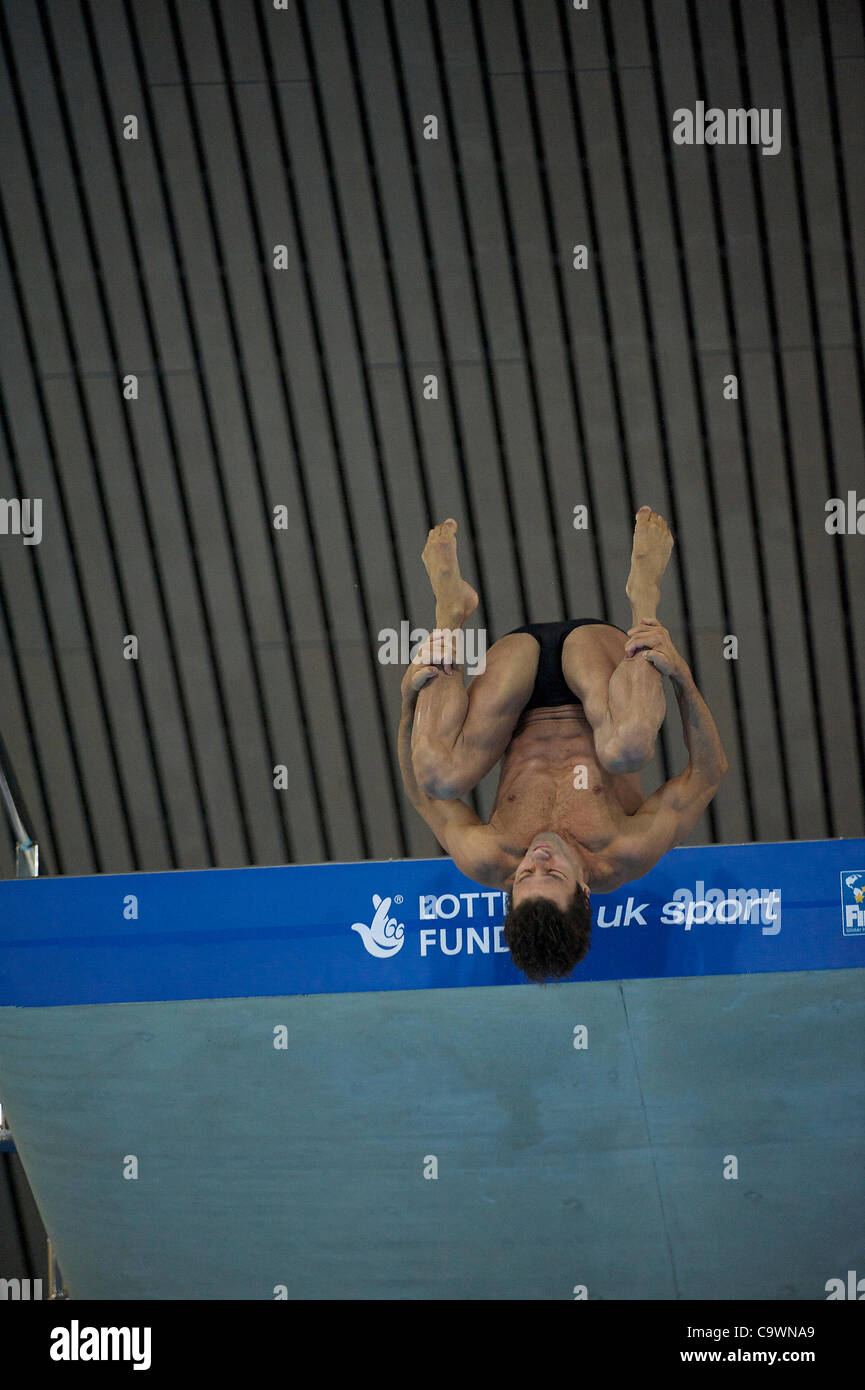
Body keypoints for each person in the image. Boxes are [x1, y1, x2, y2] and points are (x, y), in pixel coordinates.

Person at [397, 508, 727, 982]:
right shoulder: (626, 850)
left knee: (438, 776)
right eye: (552, 876)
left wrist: (408, 699)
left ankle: (450, 612)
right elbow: (707, 774)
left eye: (525, 877)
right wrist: (680, 676)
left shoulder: (488, 859)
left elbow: (423, 798)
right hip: (602, 677)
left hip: (517, 689)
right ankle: (645, 604)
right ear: (586, 891)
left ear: (509, 887)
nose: (537, 861)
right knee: (625, 750)